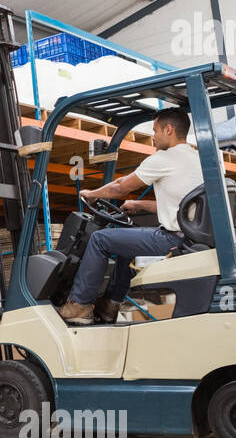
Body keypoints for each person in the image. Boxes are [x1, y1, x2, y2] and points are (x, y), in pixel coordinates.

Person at [57, 107, 204, 325]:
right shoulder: (197, 158)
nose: (153, 136)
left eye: (155, 131)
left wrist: (93, 194)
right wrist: (139, 205)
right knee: (126, 242)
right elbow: (183, 205)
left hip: (174, 239)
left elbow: (120, 187)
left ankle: (79, 305)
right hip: (191, 236)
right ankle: (109, 306)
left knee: (100, 239)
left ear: (169, 130)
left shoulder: (164, 158)